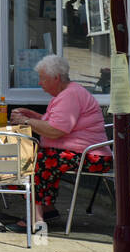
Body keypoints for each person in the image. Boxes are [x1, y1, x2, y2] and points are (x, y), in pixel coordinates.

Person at [10, 55, 111, 230]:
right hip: (84, 152)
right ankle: (47, 209)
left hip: (92, 156)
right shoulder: (68, 93)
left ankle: (36, 218)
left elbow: (55, 131)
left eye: (43, 79)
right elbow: (57, 123)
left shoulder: (70, 95)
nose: (40, 83)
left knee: (33, 160)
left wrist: (26, 121)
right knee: (33, 156)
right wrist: (33, 116)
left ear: (56, 78)